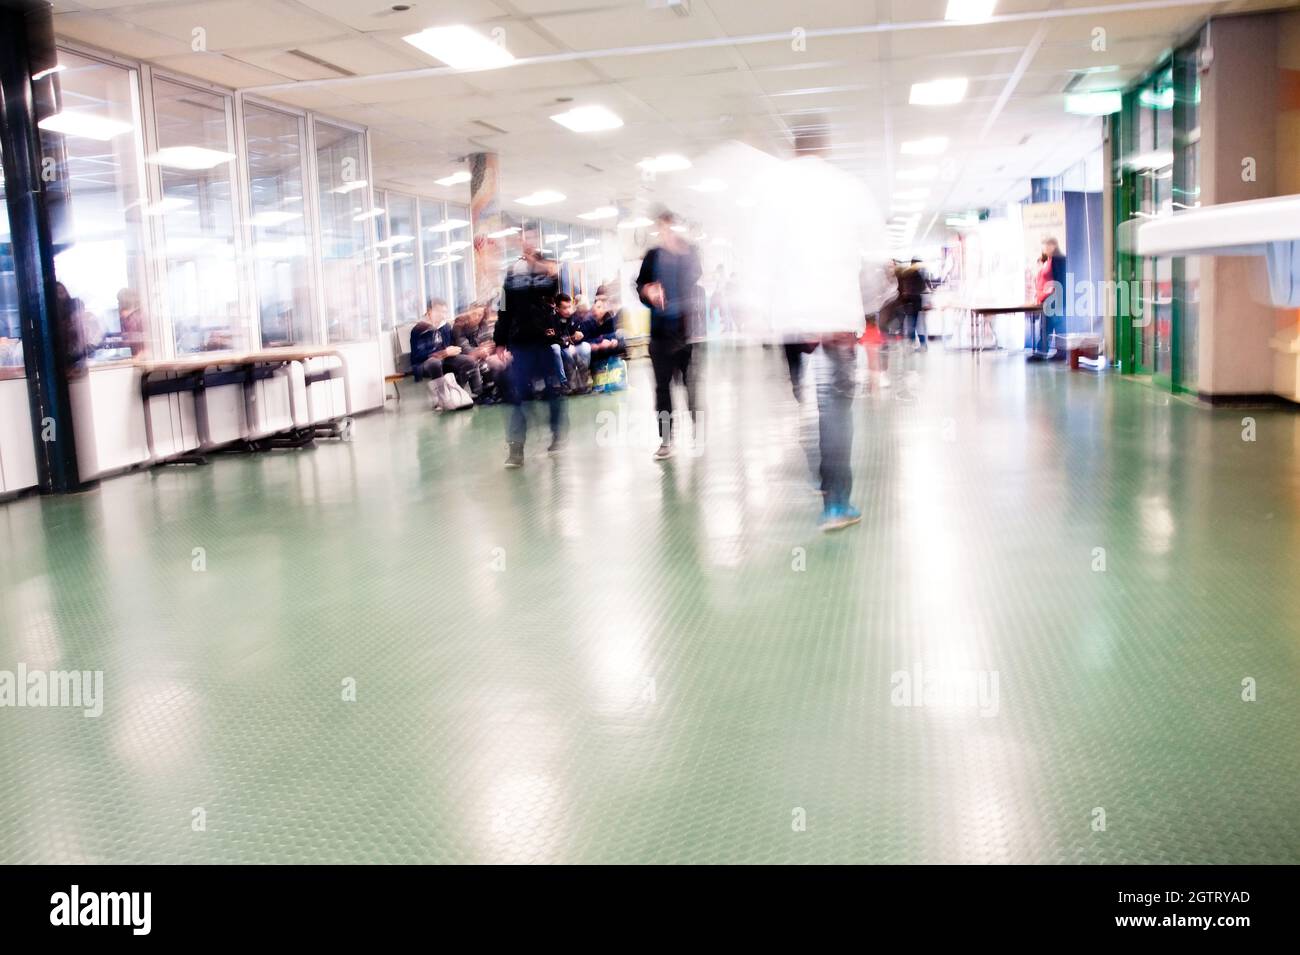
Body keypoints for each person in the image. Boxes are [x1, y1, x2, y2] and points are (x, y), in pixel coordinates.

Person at [636, 205, 703, 460]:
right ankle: (666, 440)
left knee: (689, 385)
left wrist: (679, 249)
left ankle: (697, 428)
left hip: (684, 332)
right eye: (660, 226)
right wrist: (647, 291)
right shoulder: (652, 256)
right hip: (660, 333)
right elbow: (640, 284)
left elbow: (696, 274)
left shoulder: (689, 252)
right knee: (662, 389)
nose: (664, 231)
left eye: (668, 225)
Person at [496, 228, 566, 467]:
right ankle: (516, 448)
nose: (528, 241)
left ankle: (556, 433)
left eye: (534, 237)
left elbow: (553, 293)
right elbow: (504, 309)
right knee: (517, 394)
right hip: (520, 342)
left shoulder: (548, 267)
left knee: (551, 391)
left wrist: (539, 264)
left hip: (545, 341)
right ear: (519, 241)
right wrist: (500, 341)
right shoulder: (512, 273)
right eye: (525, 237)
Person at [411, 298, 480, 394]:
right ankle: (442, 396)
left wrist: (454, 350)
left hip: (444, 360)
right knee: (434, 363)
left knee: (469, 361)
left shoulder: (445, 326)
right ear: (429, 311)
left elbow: (448, 347)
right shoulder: (419, 329)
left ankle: (456, 392)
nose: (442, 315)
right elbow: (418, 356)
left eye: (444, 312)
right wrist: (443, 353)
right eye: (438, 311)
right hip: (423, 364)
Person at [1033, 237, 1066, 357]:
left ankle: (1057, 352)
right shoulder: (1048, 260)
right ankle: (1044, 350)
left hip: (1055, 298)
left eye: (1046, 245)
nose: (1044, 248)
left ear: (1053, 246)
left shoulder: (1058, 260)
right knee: (1047, 326)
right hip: (1048, 299)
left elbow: (1059, 280)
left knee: (1053, 325)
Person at [899, 257, 929, 352]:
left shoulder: (906, 274)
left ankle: (914, 344)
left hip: (910, 303)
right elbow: (922, 287)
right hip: (914, 303)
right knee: (915, 325)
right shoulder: (916, 275)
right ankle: (921, 344)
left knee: (912, 325)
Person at [116, 288, 148, 358]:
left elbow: (150, 344)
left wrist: (140, 357)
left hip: (144, 359)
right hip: (136, 356)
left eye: (120, 302)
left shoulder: (140, 317)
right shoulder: (126, 319)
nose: (118, 304)